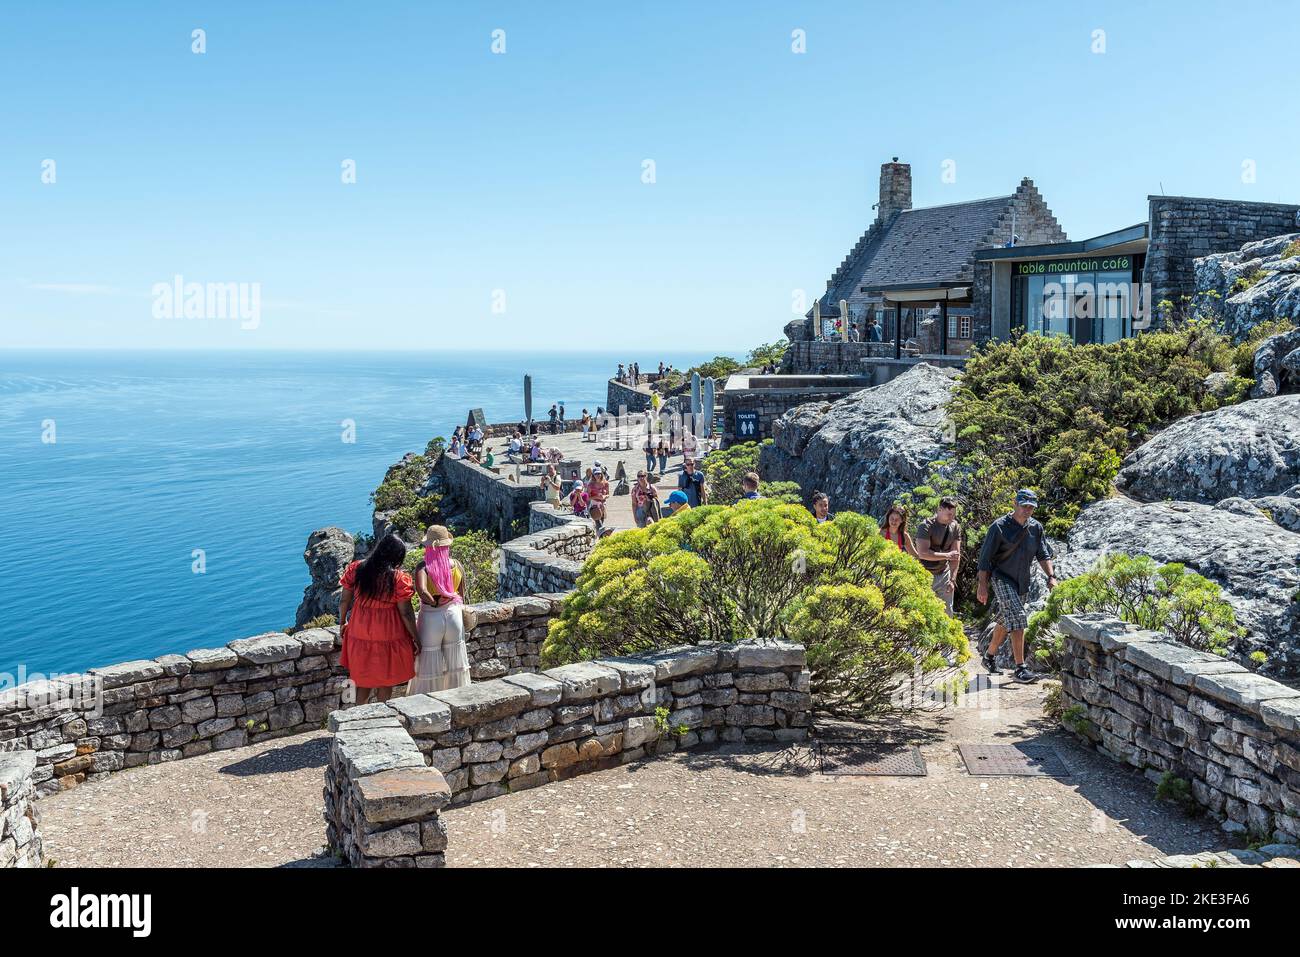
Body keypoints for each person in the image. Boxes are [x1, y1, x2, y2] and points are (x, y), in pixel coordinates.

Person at [977, 489, 1057, 682]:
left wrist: (1051, 576)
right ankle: (1020, 668)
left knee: (1006, 620)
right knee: (1019, 618)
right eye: (1024, 506)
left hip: (1021, 581)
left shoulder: (1036, 528)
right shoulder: (998, 527)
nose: (1027, 510)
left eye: (1031, 507)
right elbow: (984, 560)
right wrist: (982, 586)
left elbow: (1043, 555)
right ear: (1015, 504)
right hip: (1001, 578)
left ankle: (989, 657)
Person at [338, 533, 418, 705]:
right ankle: (382, 714)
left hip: (359, 628)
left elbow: (344, 599)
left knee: (363, 679)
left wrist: (342, 622)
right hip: (388, 630)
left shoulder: (357, 569)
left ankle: (358, 716)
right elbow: (406, 613)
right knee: (385, 678)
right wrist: (416, 638)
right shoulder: (398, 579)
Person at [410, 525, 470, 694]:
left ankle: (426, 699)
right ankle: (459, 695)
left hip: (431, 617)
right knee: (456, 660)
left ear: (428, 546)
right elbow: (461, 592)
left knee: (428, 660)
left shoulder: (423, 566)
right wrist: (449, 600)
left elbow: (422, 591)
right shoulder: (457, 565)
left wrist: (435, 603)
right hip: (453, 614)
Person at [914, 498, 961, 615]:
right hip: (924, 574)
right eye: (949, 514)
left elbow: (956, 555)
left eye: (954, 514)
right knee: (921, 611)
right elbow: (923, 553)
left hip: (944, 574)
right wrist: (947, 555)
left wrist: (952, 579)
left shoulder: (955, 527)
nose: (952, 517)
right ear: (939, 510)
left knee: (947, 612)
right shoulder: (926, 526)